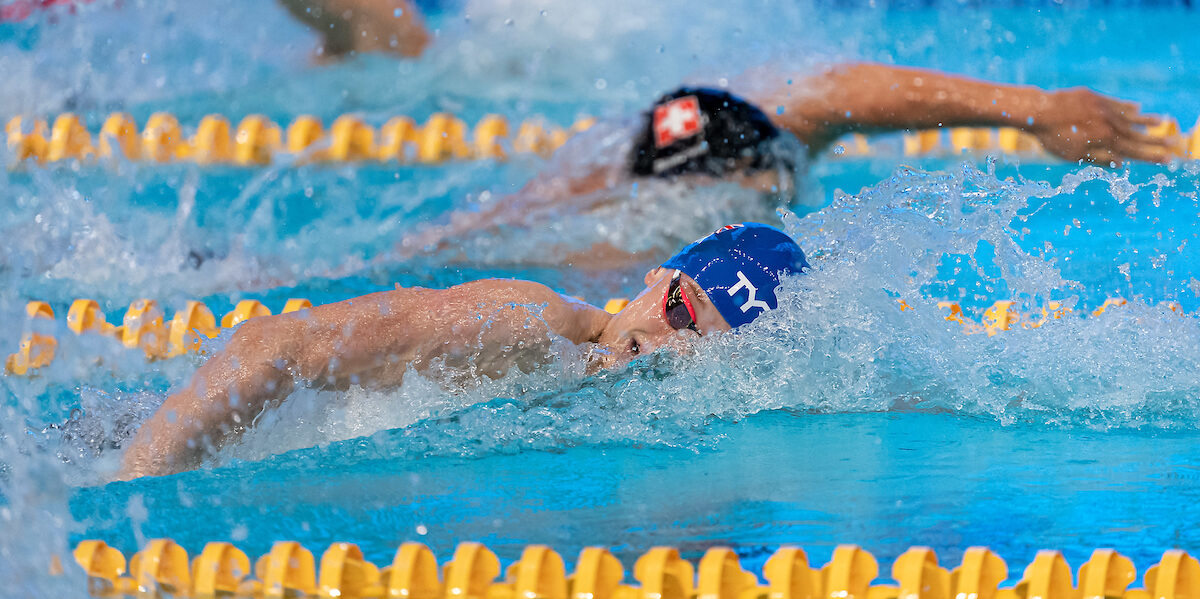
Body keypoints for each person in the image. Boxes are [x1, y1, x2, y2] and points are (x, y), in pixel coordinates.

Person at [116, 223, 808, 480]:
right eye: (681, 307)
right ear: (658, 276)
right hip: (157, 440)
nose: (668, 345)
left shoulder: (657, 433)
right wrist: (133, 487)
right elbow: (272, 345)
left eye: (704, 343)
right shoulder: (530, 323)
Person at [397, 63, 1175, 268]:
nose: (781, 182)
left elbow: (846, 91)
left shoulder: (619, 174)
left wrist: (1034, 108)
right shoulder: (627, 240)